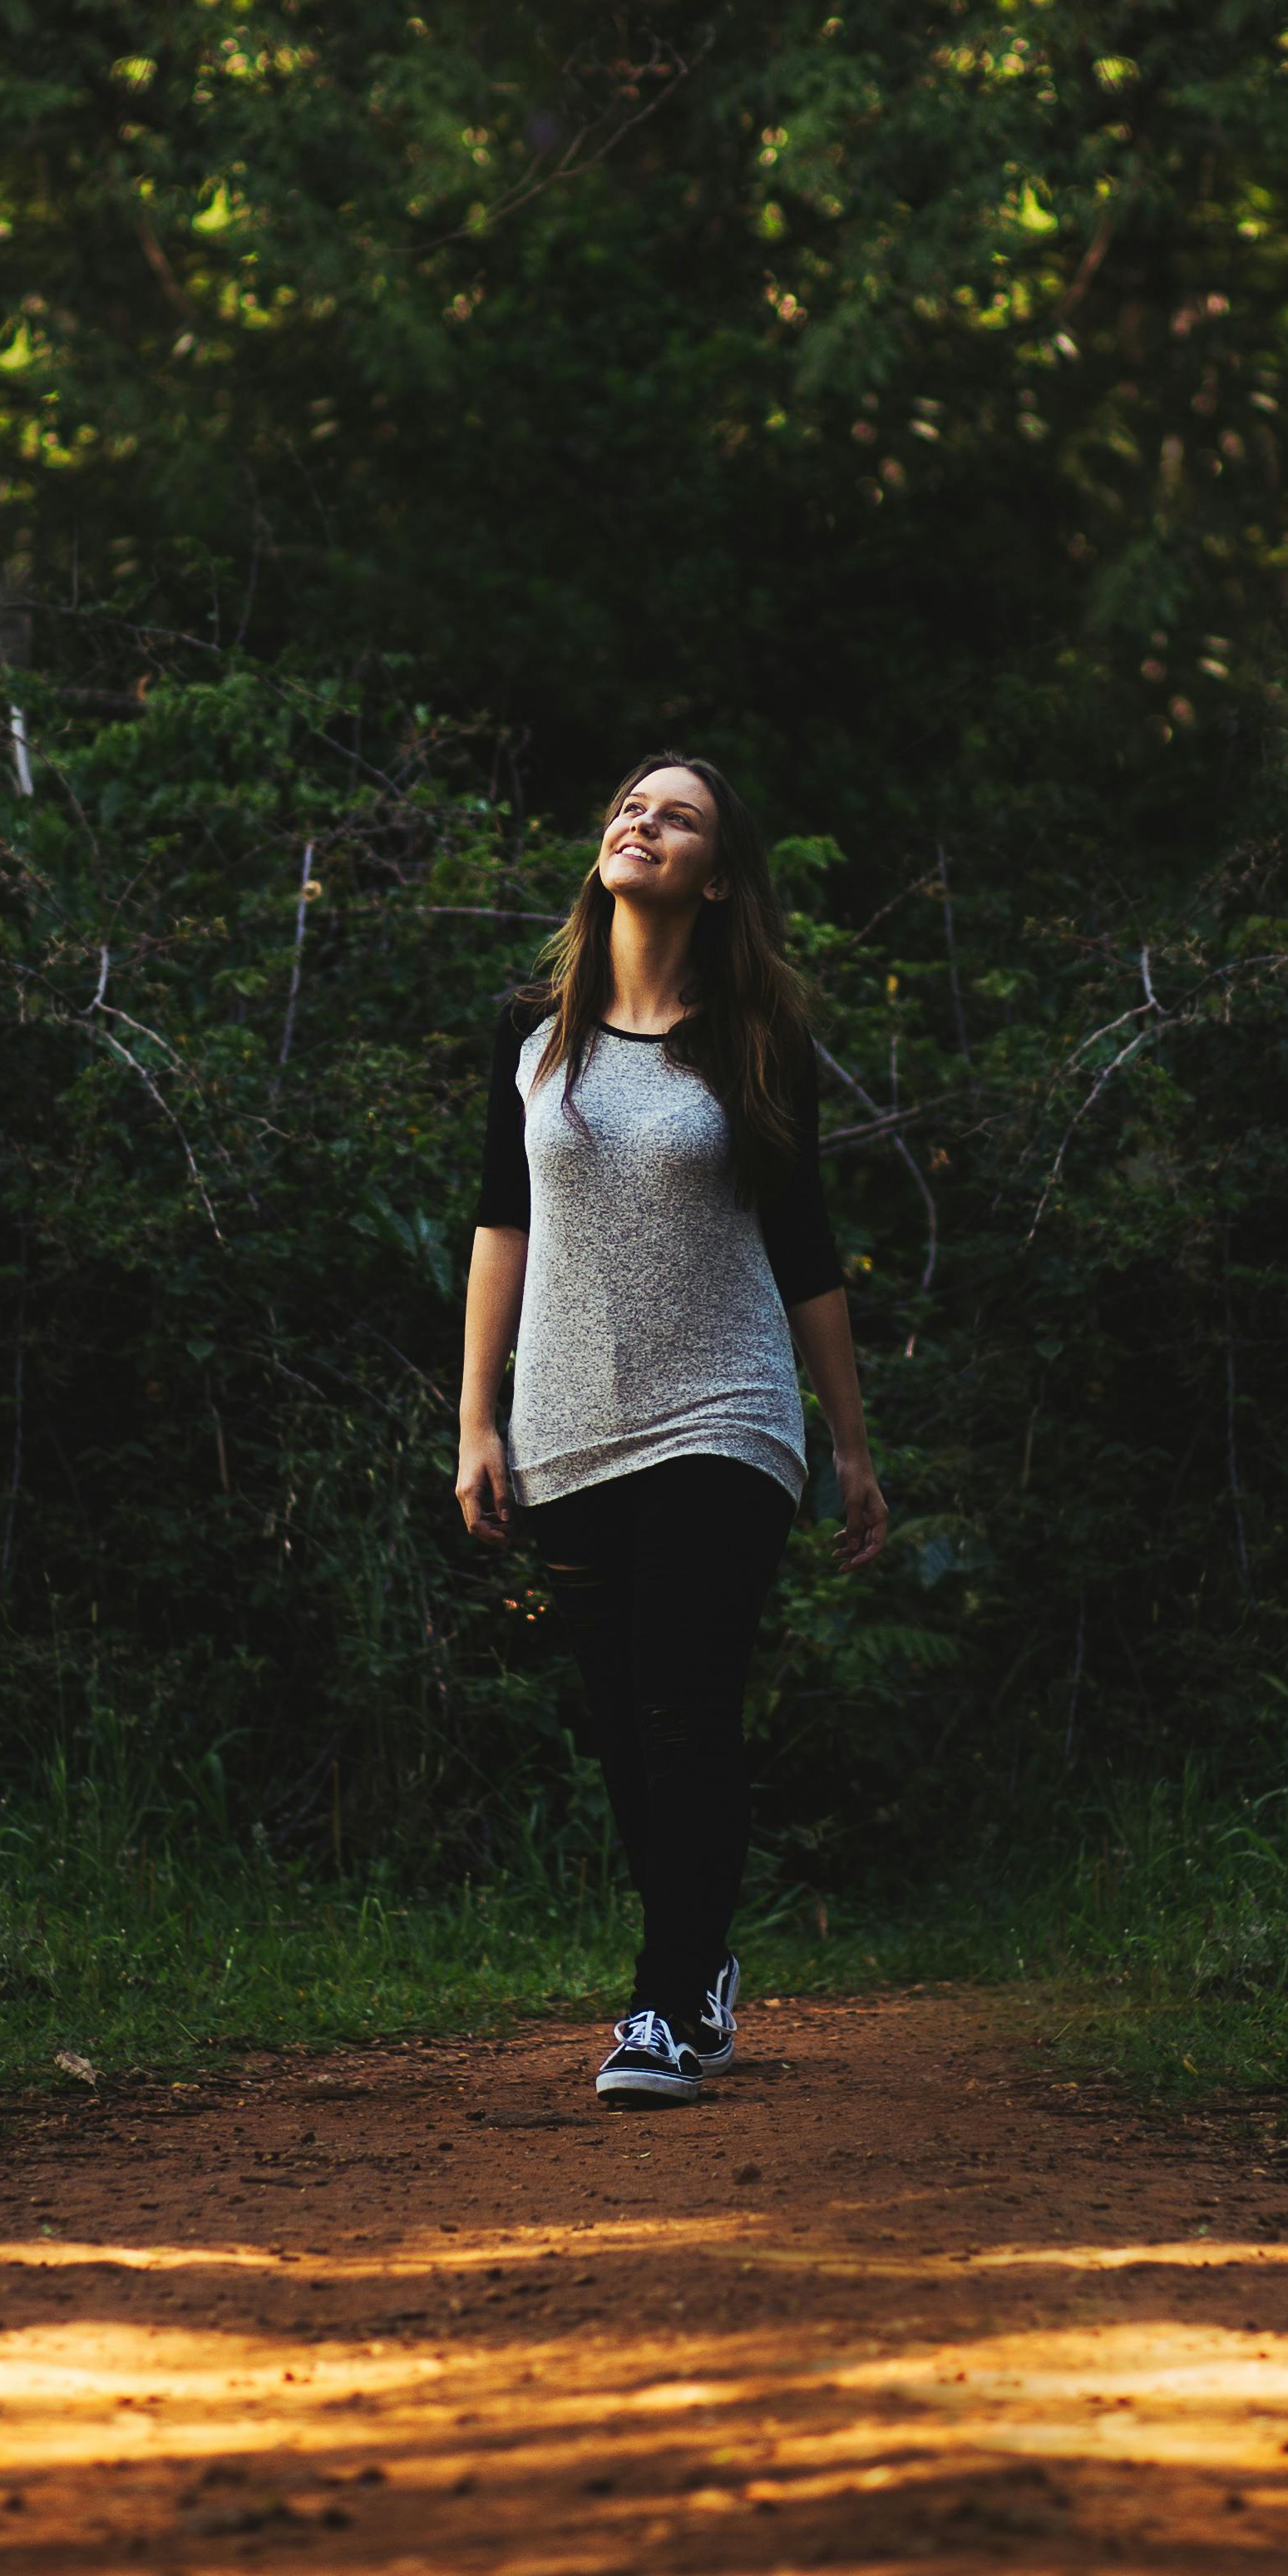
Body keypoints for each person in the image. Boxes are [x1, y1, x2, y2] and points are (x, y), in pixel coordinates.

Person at [456, 752, 888, 2103]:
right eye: (633, 806)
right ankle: (699, 1968)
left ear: (714, 872)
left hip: (725, 1410)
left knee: (684, 1697)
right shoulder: (533, 1039)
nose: (642, 822)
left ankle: (656, 2007)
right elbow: (500, 1227)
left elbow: (805, 1248)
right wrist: (476, 1416)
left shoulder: (757, 1044)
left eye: (678, 816)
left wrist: (851, 1448)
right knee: (626, 1720)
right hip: (570, 1418)